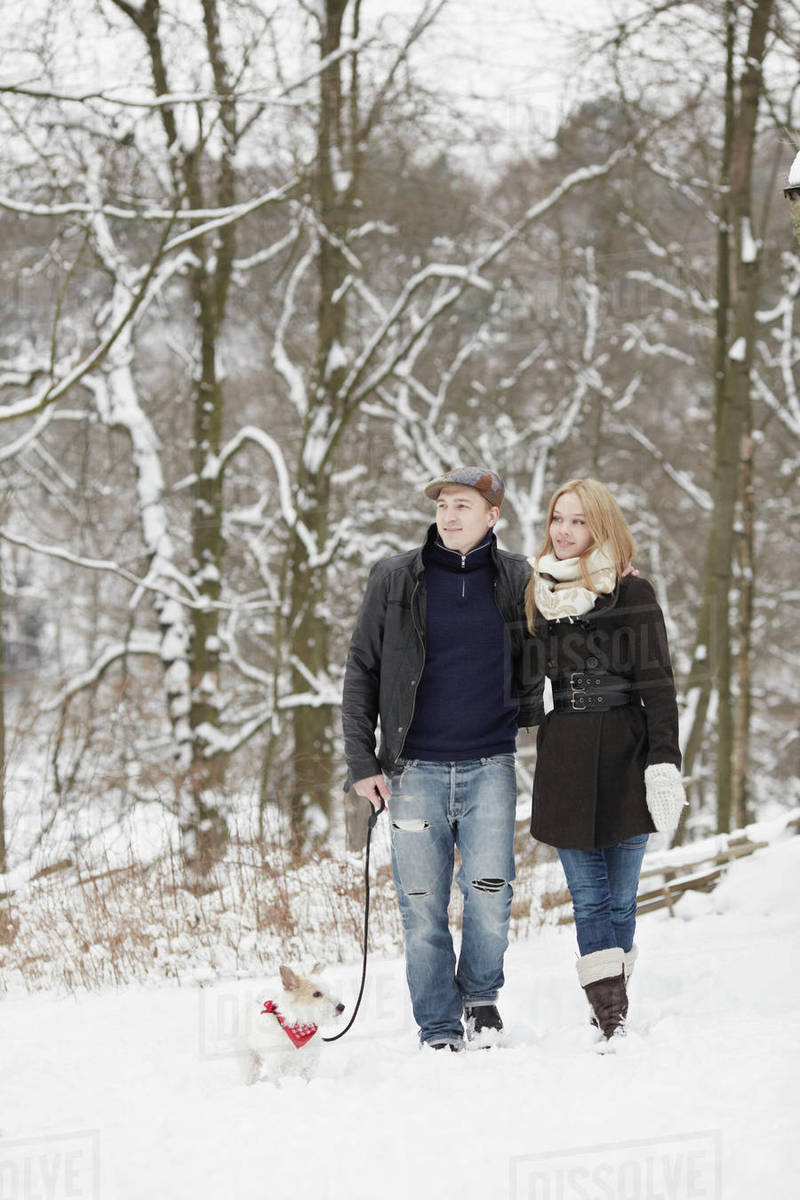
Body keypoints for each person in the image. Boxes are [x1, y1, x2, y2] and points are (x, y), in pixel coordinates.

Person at [341, 466, 543, 1051]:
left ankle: (481, 999)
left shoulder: (517, 579)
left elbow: (568, 616)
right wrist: (362, 762)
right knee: (422, 904)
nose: (449, 515)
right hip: (413, 771)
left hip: (490, 767)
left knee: (492, 892)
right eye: (443, 505)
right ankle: (437, 1025)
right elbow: (362, 669)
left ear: (492, 516)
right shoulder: (396, 577)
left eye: (463, 505)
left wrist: (616, 578)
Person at [524, 478, 686, 1042]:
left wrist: (664, 761)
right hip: (566, 752)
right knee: (589, 897)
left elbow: (659, 686)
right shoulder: (537, 593)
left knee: (620, 898)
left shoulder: (631, 594)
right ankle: (611, 1020)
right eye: (557, 519)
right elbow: (523, 679)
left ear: (600, 527)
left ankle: (610, 1002)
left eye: (577, 521)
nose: (564, 532)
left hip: (626, 751)